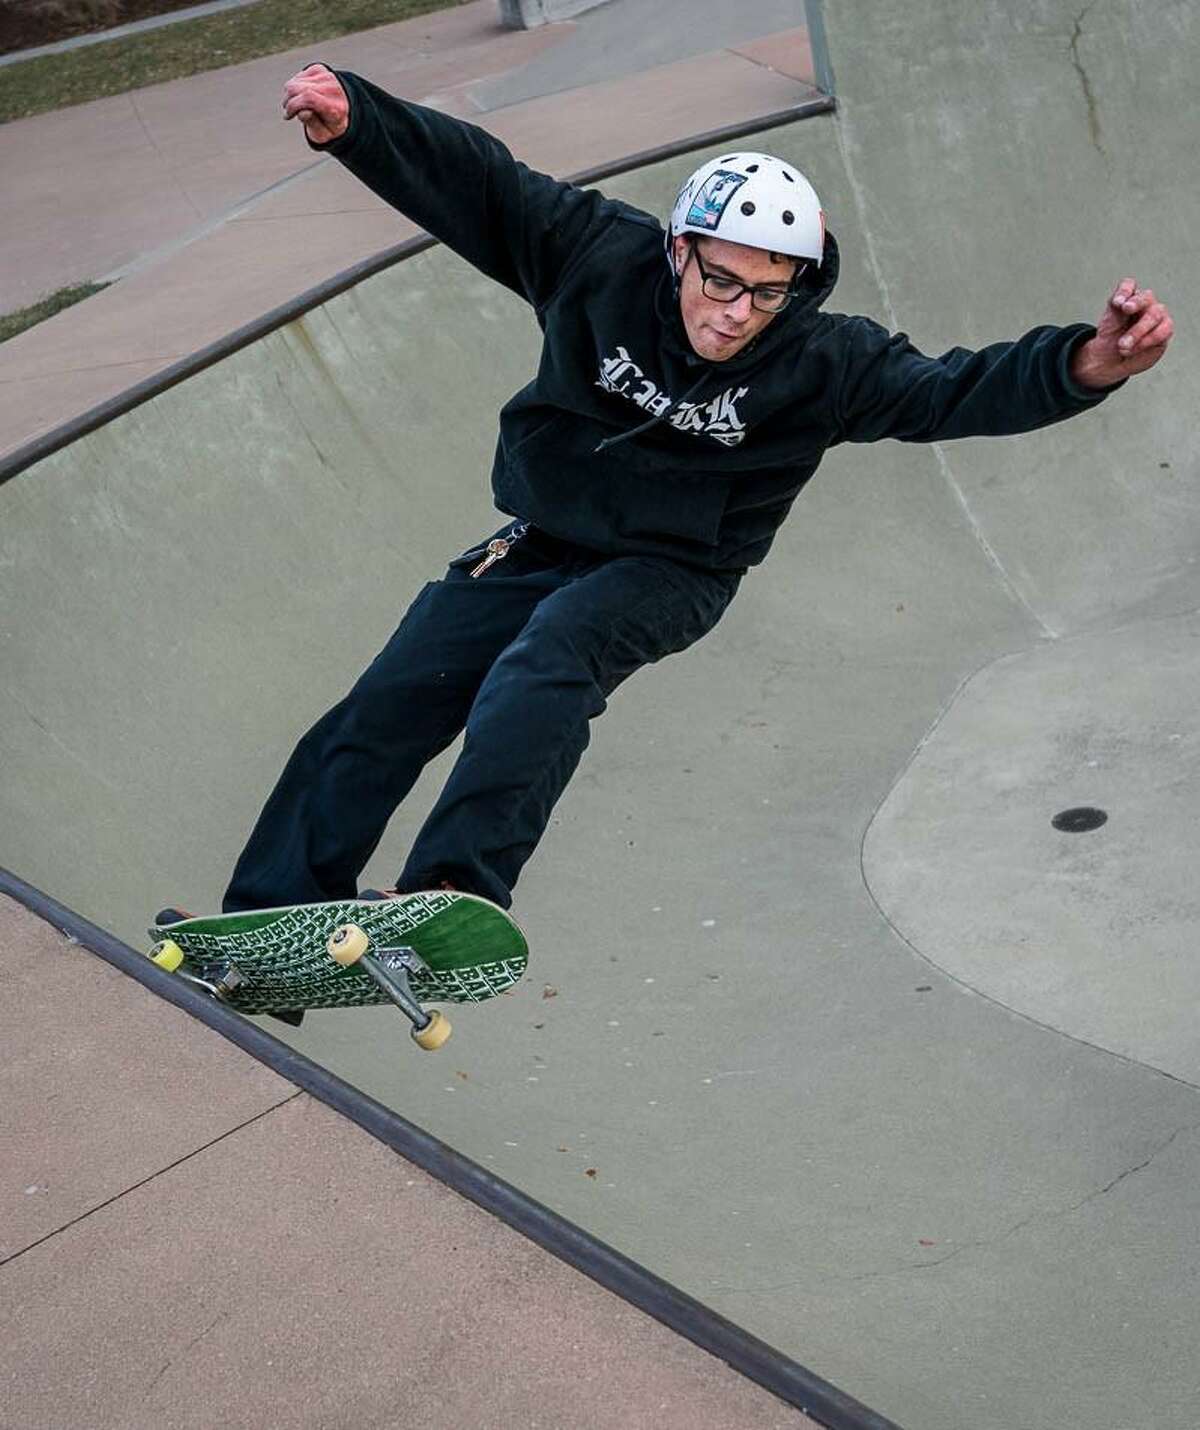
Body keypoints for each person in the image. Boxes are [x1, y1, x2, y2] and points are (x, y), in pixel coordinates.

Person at [220, 62, 1174, 917]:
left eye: (767, 292)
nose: (735, 314)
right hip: (546, 535)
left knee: (552, 653)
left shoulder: (826, 359)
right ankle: (269, 917)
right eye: (720, 281)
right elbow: (485, 187)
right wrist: (362, 122)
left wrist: (1087, 363)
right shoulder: (594, 255)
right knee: (391, 697)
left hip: (678, 569)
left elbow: (952, 390)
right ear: (680, 249)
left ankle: (449, 897)